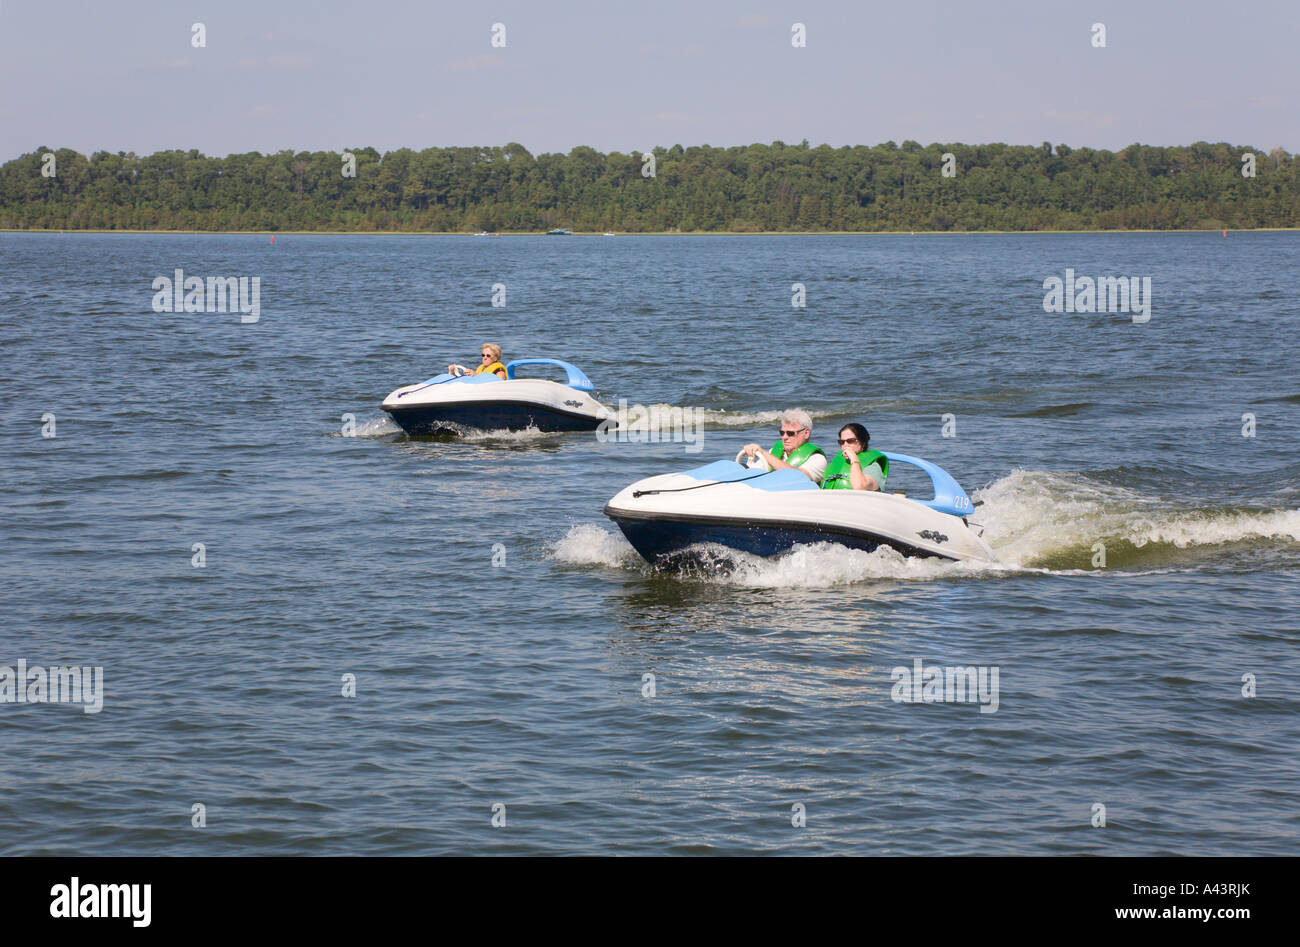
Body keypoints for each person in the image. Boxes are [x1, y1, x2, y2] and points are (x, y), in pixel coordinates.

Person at [738, 409, 827, 484]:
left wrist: (763, 453)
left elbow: (799, 476)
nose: (784, 437)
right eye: (782, 433)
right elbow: (754, 471)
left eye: (790, 433)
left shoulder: (818, 459)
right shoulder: (773, 452)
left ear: (806, 433)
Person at [821, 422, 888, 491]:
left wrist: (853, 458)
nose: (845, 445)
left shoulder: (872, 468)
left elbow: (859, 487)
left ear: (863, 443)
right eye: (841, 442)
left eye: (850, 441)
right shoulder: (838, 463)